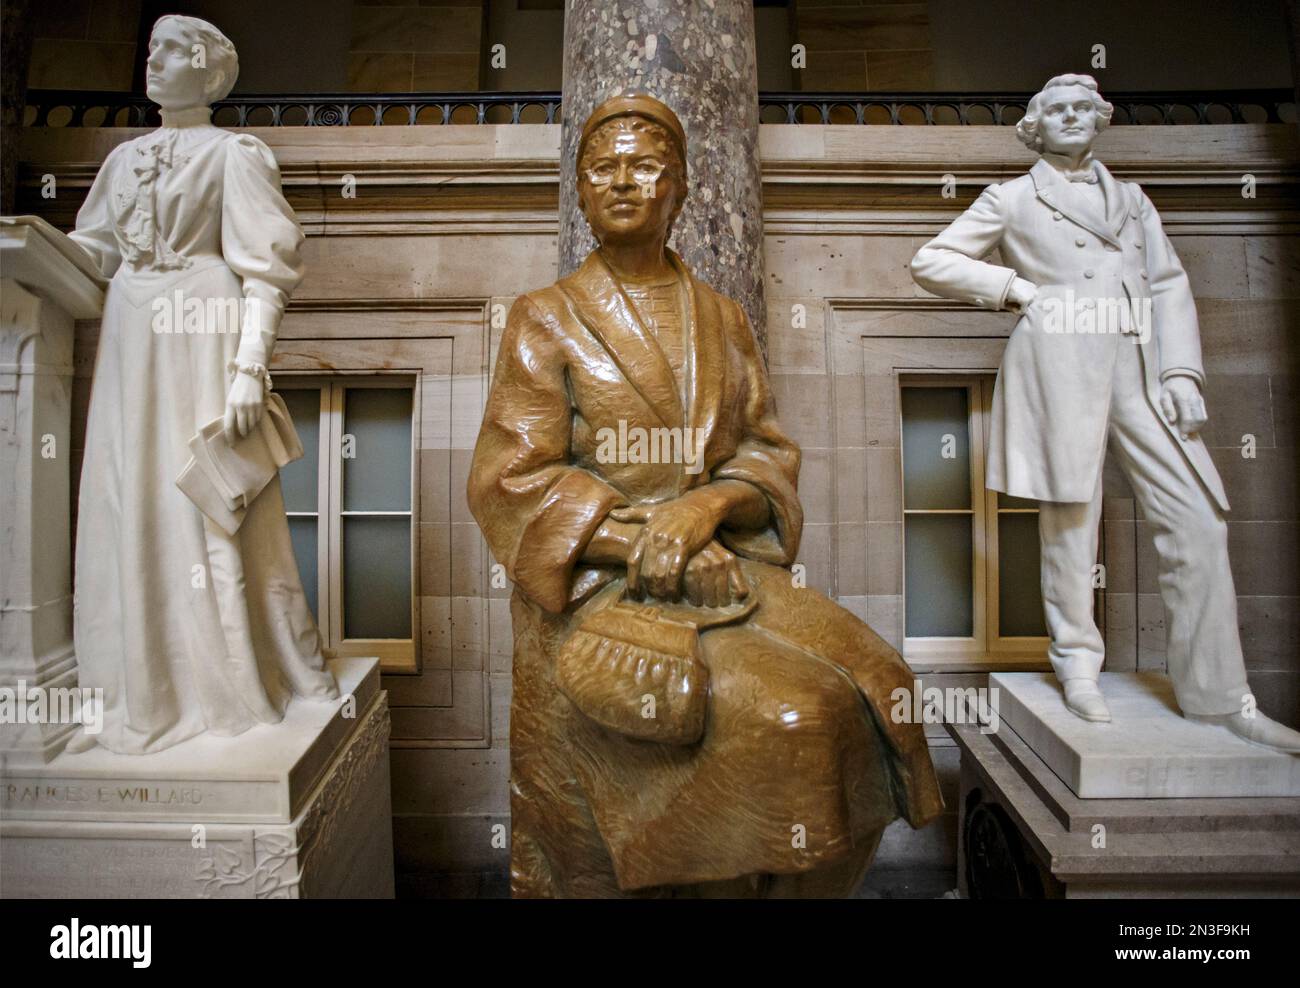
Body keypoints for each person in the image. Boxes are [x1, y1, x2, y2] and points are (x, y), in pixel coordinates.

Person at [469, 93, 943, 897]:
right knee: (795, 718)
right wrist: (649, 544)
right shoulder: (543, 319)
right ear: (581, 192)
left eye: (646, 167)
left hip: (725, 564)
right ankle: (704, 872)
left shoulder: (721, 318)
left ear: (680, 190)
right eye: (602, 169)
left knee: (884, 687)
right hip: (603, 586)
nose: (624, 182)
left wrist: (707, 509)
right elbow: (510, 481)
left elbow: (763, 452)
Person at [911, 74, 1300, 752]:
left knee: (1199, 521)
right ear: (1036, 125)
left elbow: (1171, 283)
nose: (1070, 118)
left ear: (1099, 120)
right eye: (1056, 109)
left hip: (1139, 368)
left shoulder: (1132, 200)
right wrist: (1019, 290)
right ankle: (1077, 666)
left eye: (1082, 109)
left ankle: (1219, 696)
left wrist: (1182, 371)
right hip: (1061, 366)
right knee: (1070, 524)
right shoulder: (1012, 198)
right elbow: (932, 260)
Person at [66, 15, 336, 755]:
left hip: (203, 327)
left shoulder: (233, 153)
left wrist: (252, 365)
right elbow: (90, 253)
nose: (152, 62)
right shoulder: (123, 161)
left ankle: (226, 683)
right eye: (149, 50)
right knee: (133, 492)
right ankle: (145, 685)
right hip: (132, 331)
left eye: (171, 51)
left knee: (210, 494)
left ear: (210, 71)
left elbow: (266, 268)